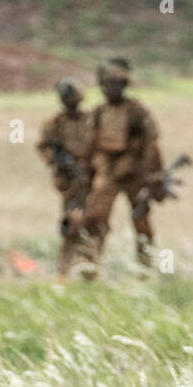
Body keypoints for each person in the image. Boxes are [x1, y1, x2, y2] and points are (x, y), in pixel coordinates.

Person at [79, 58, 164, 276]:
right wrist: (86, 173)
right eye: (107, 85)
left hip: (134, 172)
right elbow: (89, 145)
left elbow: (151, 143)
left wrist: (154, 173)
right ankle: (89, 267)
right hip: (107, 171)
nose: (110, 89)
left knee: (141, 220)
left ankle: (144, 268)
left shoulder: (137, 111)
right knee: (95, 218)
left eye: (115, 84)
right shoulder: (99, 112)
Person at [37, 78, 92, 277]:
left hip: (90, 177)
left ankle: (87, 267)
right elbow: (44, 147)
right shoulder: (55, 123)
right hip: (68, 181)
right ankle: (65, 269)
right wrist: (58, 162)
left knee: (92, 223)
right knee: (72, 223)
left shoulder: (90, 120)